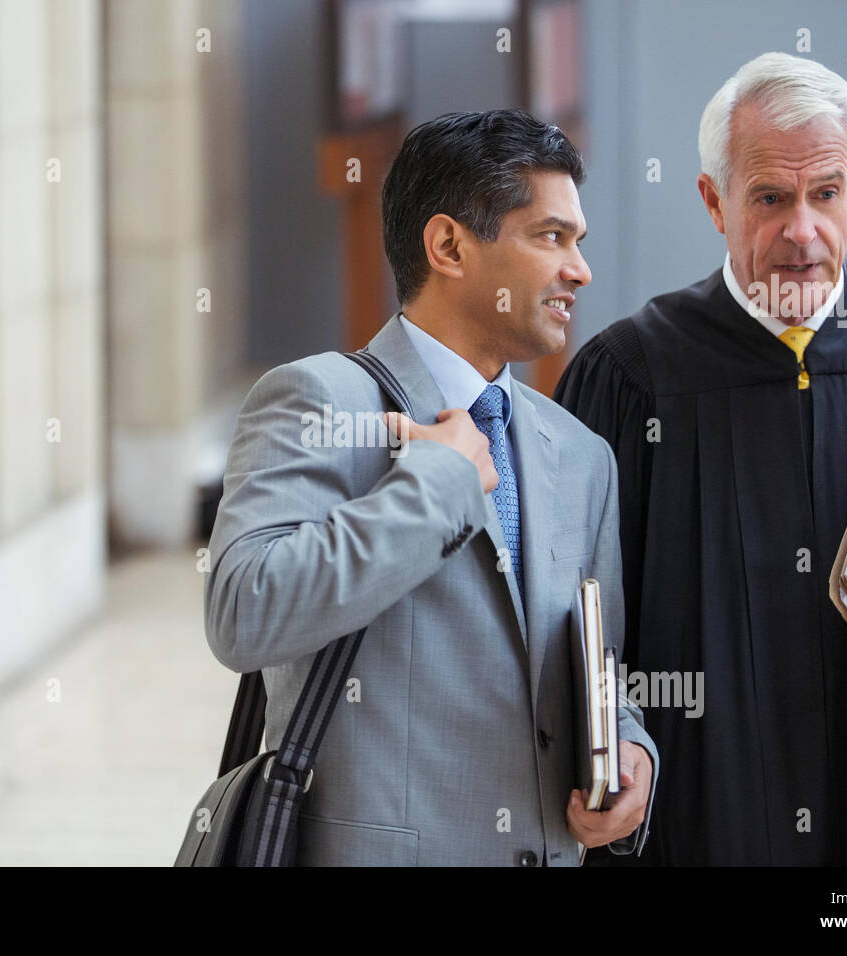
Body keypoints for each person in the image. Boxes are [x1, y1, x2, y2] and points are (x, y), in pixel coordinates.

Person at [557, 52, 847, 865]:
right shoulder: (630, 378)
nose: (804, 231)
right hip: (708, 822)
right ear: (713, 201)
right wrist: (605, 755)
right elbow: (572, 624)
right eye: (770, 197)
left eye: (826, 193)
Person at [205, 109, 657, 866]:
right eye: (550, 237)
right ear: (448, 245)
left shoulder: (581, 455)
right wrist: (439, 484)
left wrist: (632, 751)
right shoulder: (317, 401)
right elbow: (242, 613)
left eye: (577, 241)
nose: (578, 269)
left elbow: (596, 672)